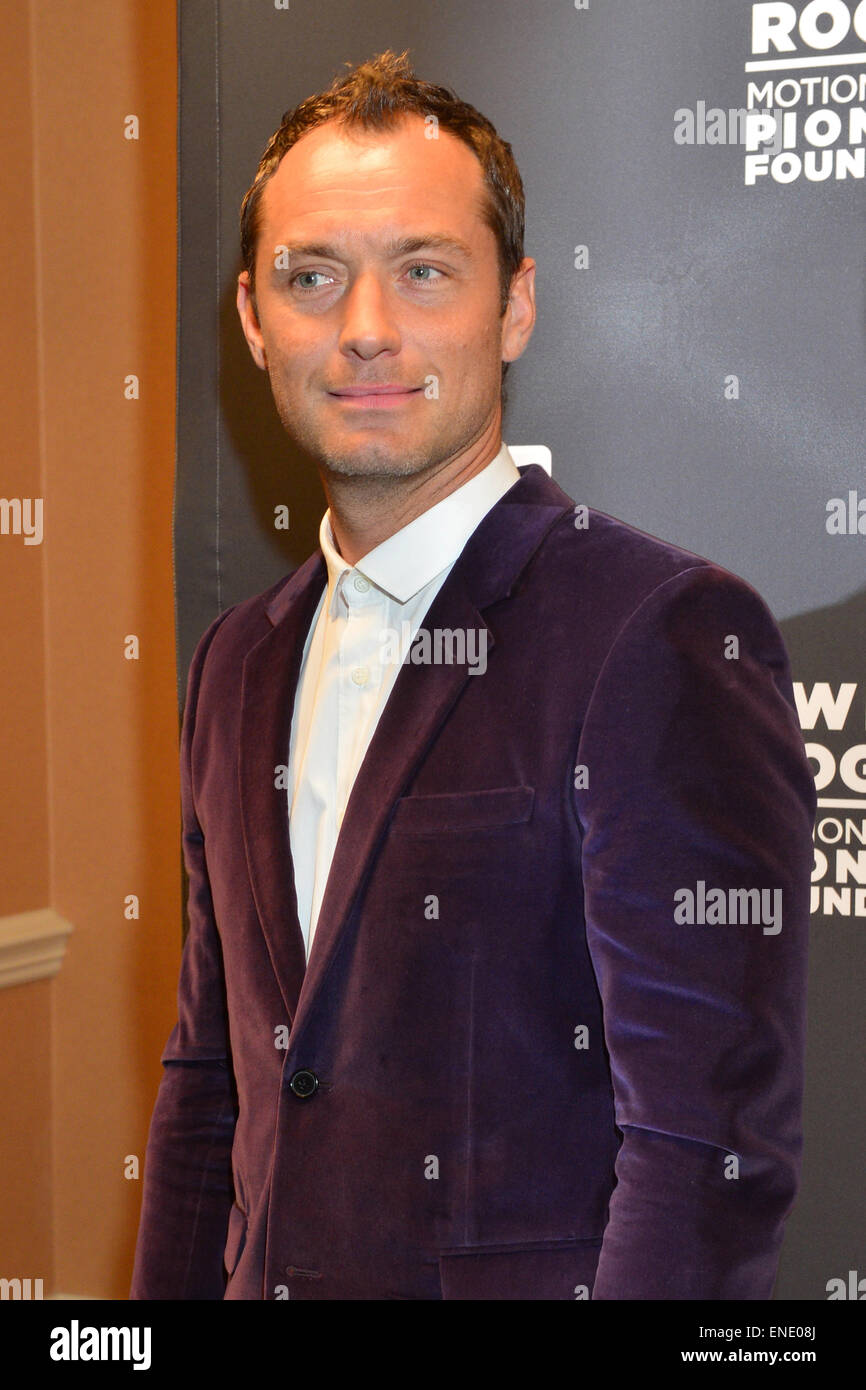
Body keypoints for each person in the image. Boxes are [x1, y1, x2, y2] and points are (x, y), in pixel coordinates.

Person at [130, 50, 816, 1301]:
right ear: (249, 317)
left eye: (424, 270)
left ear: (513, 308)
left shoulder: (653, 634)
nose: (365, 329)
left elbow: (703, 1149)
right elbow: (208, 1084)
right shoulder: (234, 661)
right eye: (311, 277)